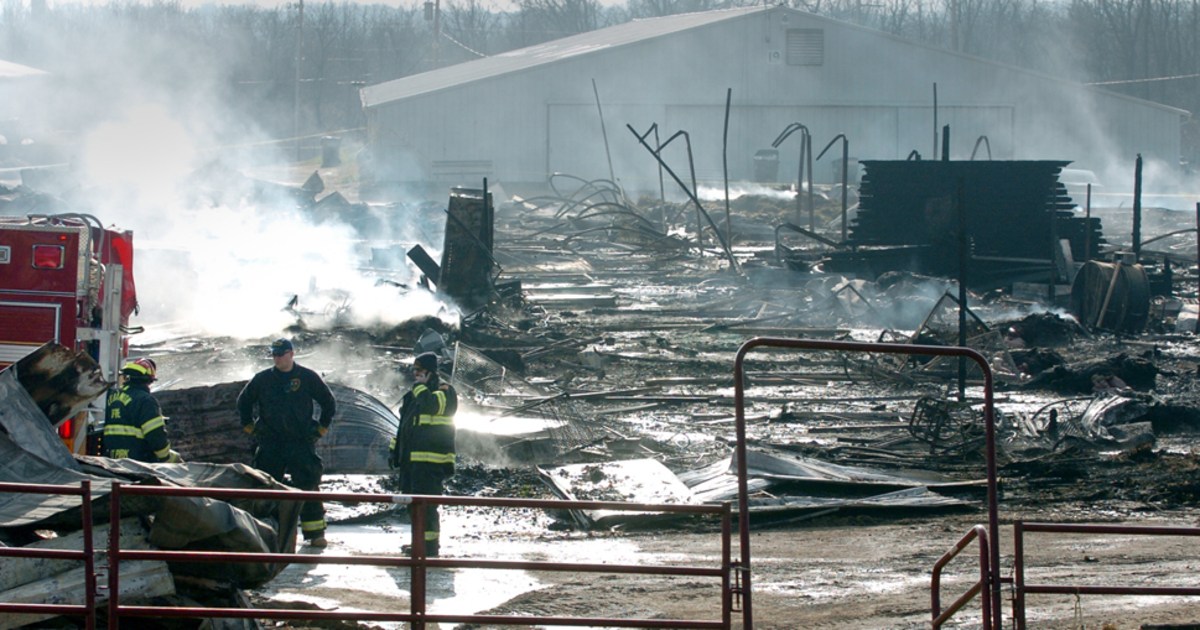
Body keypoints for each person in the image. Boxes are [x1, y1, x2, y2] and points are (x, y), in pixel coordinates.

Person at [237, 338, 337, 548]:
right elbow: (243, 402)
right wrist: (250, 427)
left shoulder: (307, 377)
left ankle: (315, 532)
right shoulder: (263, 379)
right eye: (274, 354)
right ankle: (269, 533)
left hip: (300, 441)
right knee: (266, 486)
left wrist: (321, 428)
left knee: (308, 484)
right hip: (271, 442)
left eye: (281, 354)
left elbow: (328, 402)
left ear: (291, 353)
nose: (277, 358)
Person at [389, 351, 457, 557]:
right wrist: (395, 451)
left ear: (431, 372)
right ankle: (418, 542)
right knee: (413, 506)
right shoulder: (413, 396)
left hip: (431, 462)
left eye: (420, 371)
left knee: (427, 507)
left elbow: (431, 406)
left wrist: (420, 387)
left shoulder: (445, 391)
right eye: (414, 370)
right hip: (412, 462)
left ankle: (430, 547)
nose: (415, 374)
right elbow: (403, 427)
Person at [103, 358, 182, 463]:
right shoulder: (146, 401)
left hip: (112, 460)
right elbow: (155, 436)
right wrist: (166, 457)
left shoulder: (111, 396)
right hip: (139, 461)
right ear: (148, 380)